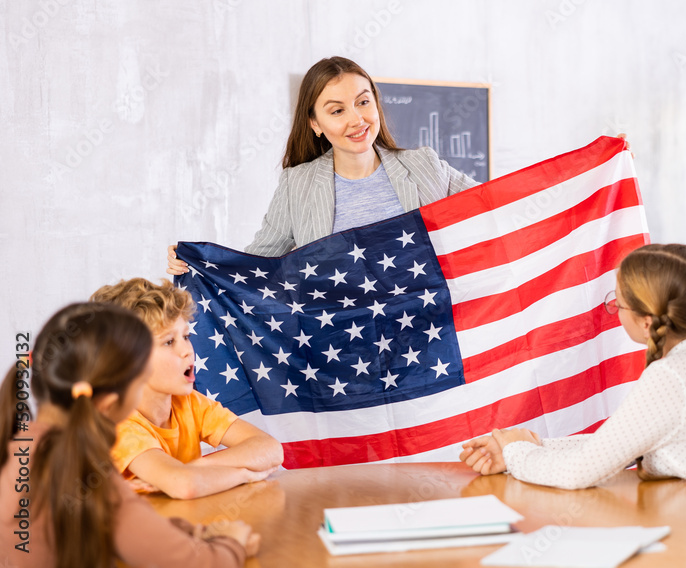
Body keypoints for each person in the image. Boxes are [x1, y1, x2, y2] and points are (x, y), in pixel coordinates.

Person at [459, 244, 686, 490]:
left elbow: (578, 473)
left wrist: (515, 452)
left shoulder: (672, 375)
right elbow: (620, 442)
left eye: (618, 304)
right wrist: (530, 446)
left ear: (647, 322)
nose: (614, 312)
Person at [0, 303, 258, 567]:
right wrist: (233, 541)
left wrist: (181, 530)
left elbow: (115, 531)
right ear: (109, 403)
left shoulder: (18, 445)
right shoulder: (85, 471)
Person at [167, 55, 479, 273]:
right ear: (315, 123)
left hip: (426, 344)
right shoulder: (297, 185)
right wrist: (199, 265)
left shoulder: (424, 164)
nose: (357, 119)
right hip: (340, 351)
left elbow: (494, 206)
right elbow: (256, 265)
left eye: (363, 102)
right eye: (337, 110)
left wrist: (530, 201)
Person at [92, 278, 284, 499]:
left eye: (186, 336)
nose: (187, 351)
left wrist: (192, 469)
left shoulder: (191, 403)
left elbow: (270, 449)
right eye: (168, 342)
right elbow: (185, 486)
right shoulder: (117, 424)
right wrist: (244, 474)